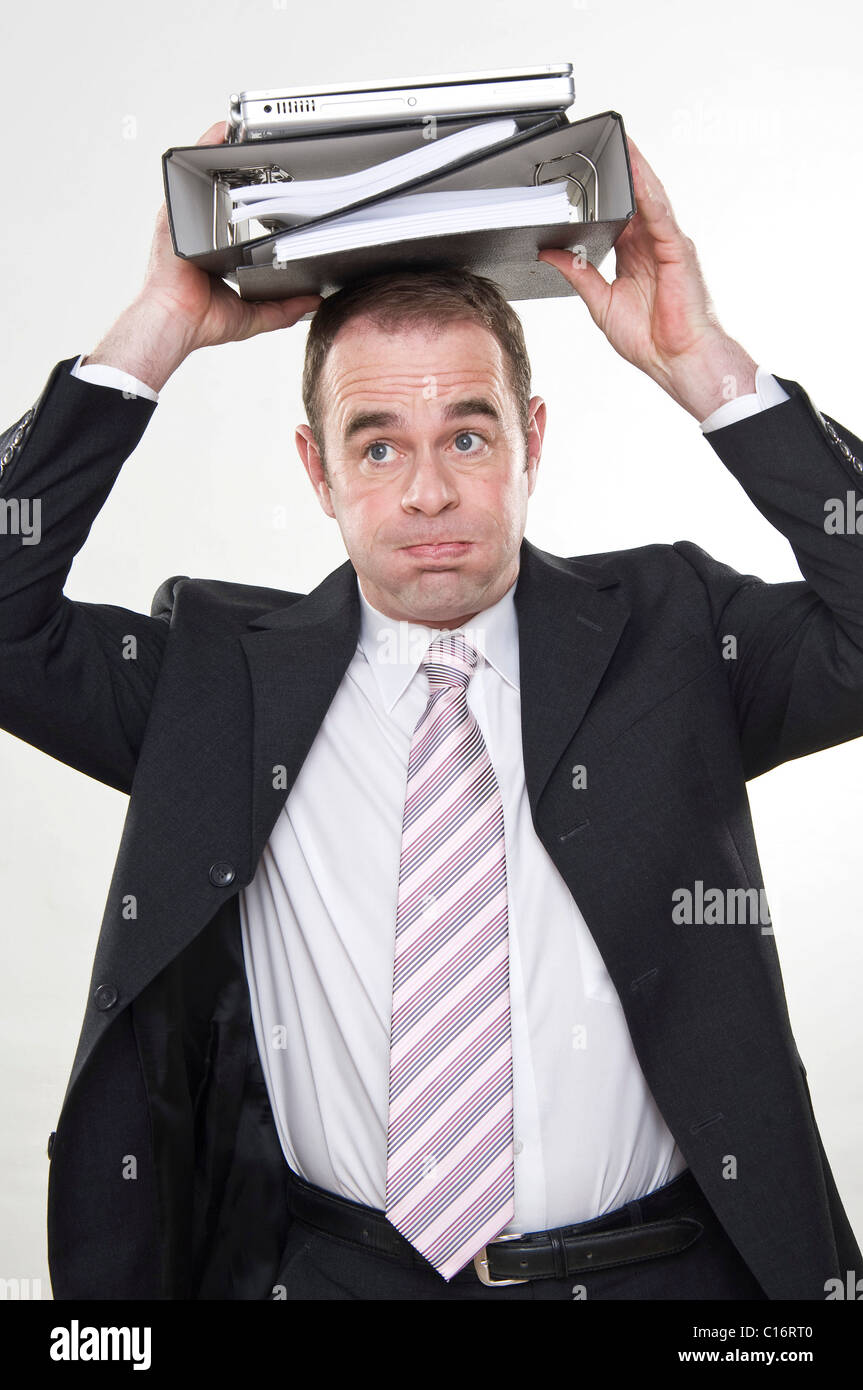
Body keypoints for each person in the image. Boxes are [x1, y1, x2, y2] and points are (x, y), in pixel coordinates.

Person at [1, 121, 861, 1302]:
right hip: (337, 1277)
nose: (427, 491)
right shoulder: (217, 675)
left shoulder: (672, 631)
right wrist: (154, 334)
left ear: (531, 440)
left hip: (660, 1281)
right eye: (376, 444)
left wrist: (705, 365)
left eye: (467, 431)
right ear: (318, 470)